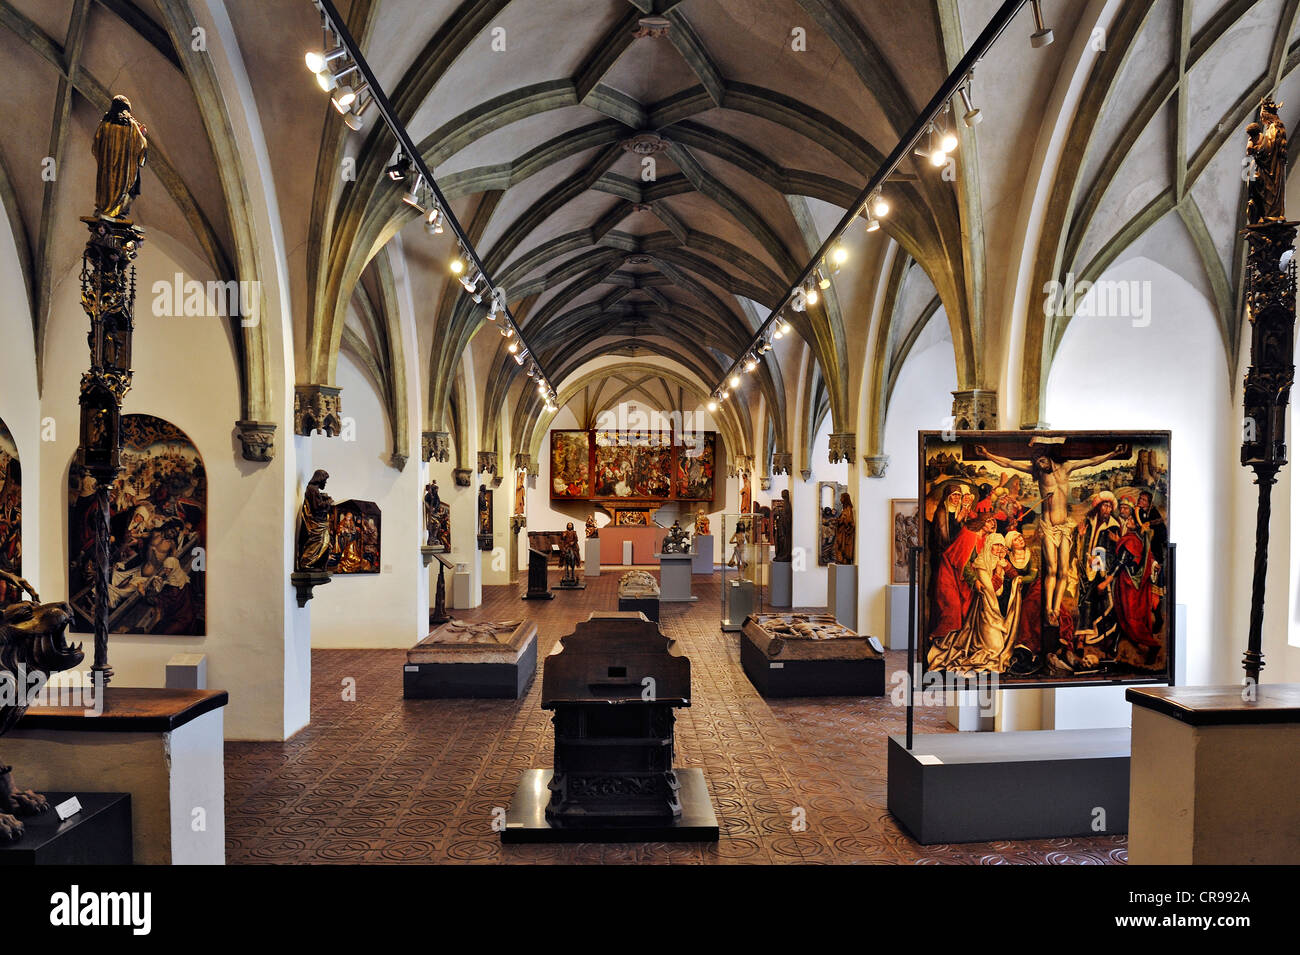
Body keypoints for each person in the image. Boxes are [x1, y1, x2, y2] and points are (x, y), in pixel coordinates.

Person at [975, 441, 1128, 625]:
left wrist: (1112, 453)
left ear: (1048, 458)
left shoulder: (1066, 468)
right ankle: (1048, 609)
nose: (1040, 465)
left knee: (1063, 571)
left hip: (1064, 526)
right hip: (1048, 526)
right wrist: (987, 455)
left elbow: (1091, 461)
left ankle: (1056, 608)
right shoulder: (1037, 472)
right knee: (1052, 570)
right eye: (1037, 463)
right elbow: (1008, 463)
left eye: (1041, 461)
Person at [831, 492, 854, 564]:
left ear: (845, 499)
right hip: (841, 532)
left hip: (844, 533)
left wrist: (841, 520)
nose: (840, 499)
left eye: (841, 498)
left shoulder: (848, 509)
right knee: (838, 546)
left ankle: (843, 560)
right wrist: (838, 520)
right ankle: (840, 560)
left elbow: (849, 521)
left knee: (842, 547)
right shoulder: (844, 509)